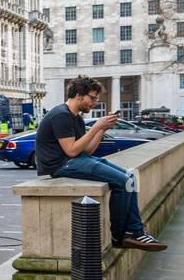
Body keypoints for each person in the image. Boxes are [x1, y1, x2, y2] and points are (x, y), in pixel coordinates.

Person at [35, 76, 167, 251]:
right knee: (122, 181)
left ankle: (136, 231)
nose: (95, 102)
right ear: (79, 95)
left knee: (130, 177)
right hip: (59, 166)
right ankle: (120, 236)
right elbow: (72, 151)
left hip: (75, 160)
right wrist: (97, 126)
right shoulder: (61, 115)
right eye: (92, 97)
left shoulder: (77, 119)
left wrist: (102, 129)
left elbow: (87, 150)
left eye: (96, 98)